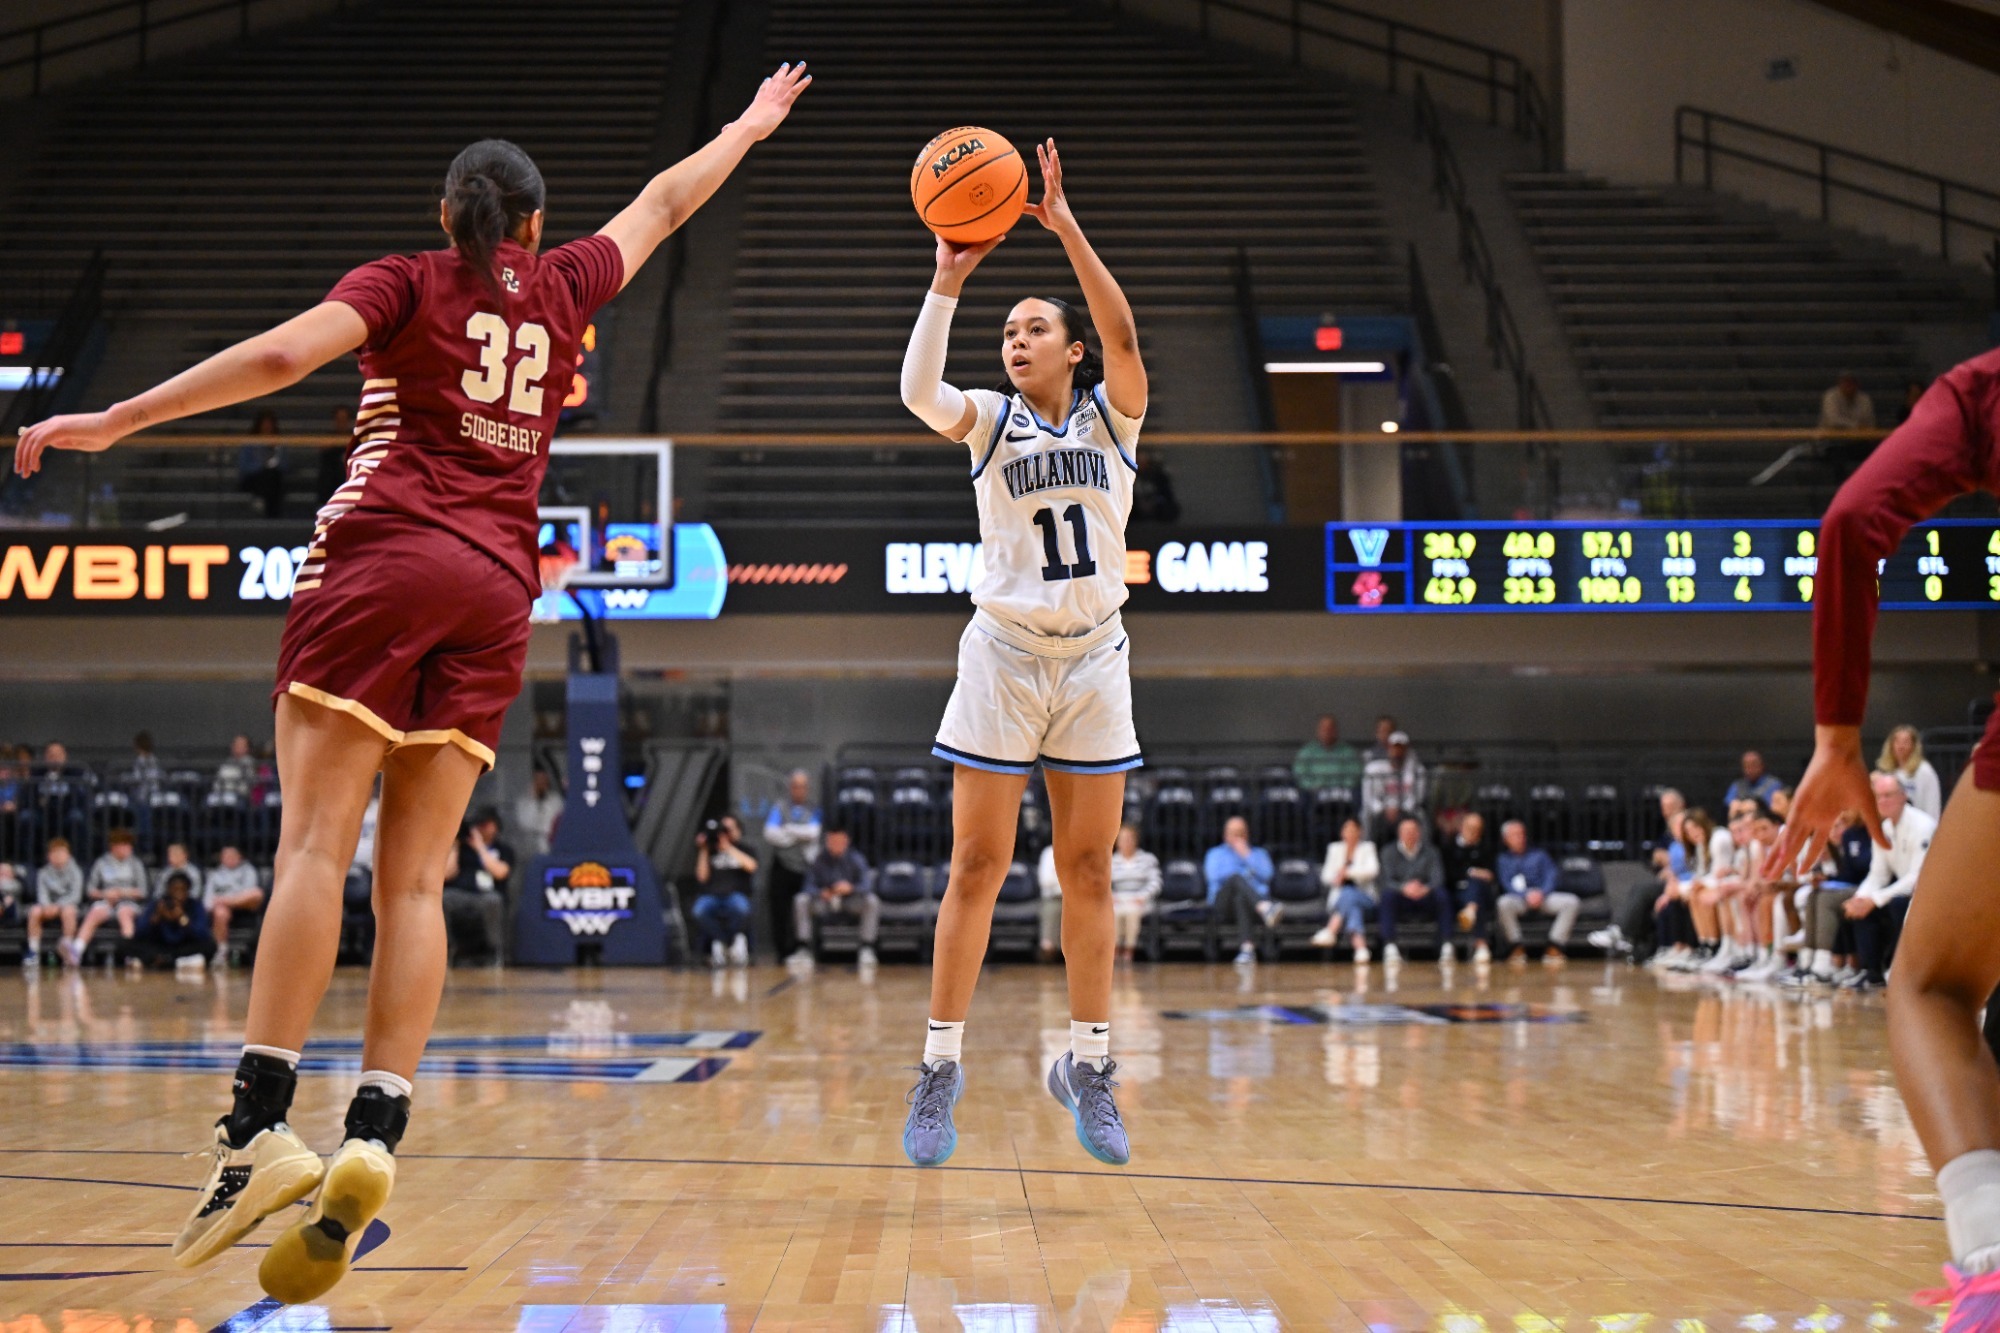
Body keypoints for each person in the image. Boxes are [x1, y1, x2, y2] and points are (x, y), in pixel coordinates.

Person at [10, 63, 811, 1306]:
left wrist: (118, 419)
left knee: (312, 850)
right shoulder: (560, 291)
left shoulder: (404, 281)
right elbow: (660, 204)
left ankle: (254, 1133)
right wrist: (747, 127)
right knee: (418, 876)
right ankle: (376, 1129)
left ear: (450, 220)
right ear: (533, 229)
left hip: (385, 554)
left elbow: (284, 353)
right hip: (499, 588)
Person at [896, 138, 1144, 1169]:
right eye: (1006, 329)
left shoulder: (1114, 417)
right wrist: (948, 284)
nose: (1015, 338)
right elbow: (917, 388)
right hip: (1002, 655)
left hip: (1092, 659)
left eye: (1033, 327)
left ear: (1070, 350)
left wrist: (1061, 222)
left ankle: (1087, 1067)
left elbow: (1125, 330)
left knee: (1087, 870)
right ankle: (937, 1070)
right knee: (976, 865)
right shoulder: (988, 420)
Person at [1762, 346, 2000, 1322]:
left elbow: (1851, 521)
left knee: (1930, 986)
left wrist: (1835, 735)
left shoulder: (1983, 386)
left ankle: (1988, 1262)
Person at [1830, 773, 1932, 991]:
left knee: (1893, 906)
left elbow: (1918, 876)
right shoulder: (1883, 828)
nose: (1883, 801)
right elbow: (1878, 875)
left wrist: (1874, 899)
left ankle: (1902, 972)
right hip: (1901, 892)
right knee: (1858, 907)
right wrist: (1861, 898)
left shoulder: (1923, 826)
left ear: (1903, 796)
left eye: (1888, 795)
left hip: (1928, 896)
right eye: (1878, 797)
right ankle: (1871, 972)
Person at [789, 825, 877, 970]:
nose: (835, 845)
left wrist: (851, 888)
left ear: (846, 841)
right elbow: (807, 886)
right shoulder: (819, 859)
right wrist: (821, 892)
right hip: (825, 902)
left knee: (872, 901)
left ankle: (867, 948)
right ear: (827, 842)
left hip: (850, 901)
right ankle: (804, 948)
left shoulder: (857, 859)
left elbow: (867, 885)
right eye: (832, 841)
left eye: (839, 841)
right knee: (801, 900)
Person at [1494, 820, 1576, 966]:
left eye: (1522, 834)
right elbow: (1505, 883)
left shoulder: (1540, 855)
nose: (1520, 838)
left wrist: (1541, 893)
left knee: (1571, 902)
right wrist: (1525, 895)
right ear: (1505, 839)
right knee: (1503, 903)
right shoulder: (1503, 859)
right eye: (1515, 835)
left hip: (1543, 897)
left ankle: (1554, 947)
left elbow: (1551, 876)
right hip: (1520, 899)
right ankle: (1516, 947)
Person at [1204, 816, 1277, 968]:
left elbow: (1268, 874)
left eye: (1240, 832)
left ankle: (1247, 950)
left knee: (1241, 898)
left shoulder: (1258, 853)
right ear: (1225, 835)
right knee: (1236, 879)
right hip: (1223, 903)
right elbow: (1214, 875)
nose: (1237, 837)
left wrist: (1247, 856)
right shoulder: (1215, 854)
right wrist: (1243, 871)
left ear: (1247, 834)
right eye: (1233, 833)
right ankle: (1265, 908)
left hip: (1250, 905)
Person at [443, 808, 514, 965]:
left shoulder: (503, 849)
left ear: (495, 826)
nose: (480, 828)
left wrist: (480, 847)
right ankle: (447, 947)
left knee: (493, 901)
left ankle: (495, 951)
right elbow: (447, 874)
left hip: (486, 896)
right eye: (478, 824)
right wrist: (455, 845)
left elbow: (501, 872)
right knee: (444, 898)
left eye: (485, 824)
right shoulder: (462, 848)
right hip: (460, 894)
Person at [1377, 816, 1451, 964]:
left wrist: (1425, 888)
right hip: (1401, 897)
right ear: (1399, 833)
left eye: (1413, 831)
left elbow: (1438, 878)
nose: (1409, 834)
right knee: (1387, 896)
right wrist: (1404, 888)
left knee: (1442, 895)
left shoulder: (1431, 852)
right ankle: (1389, 945)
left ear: (1419, 833)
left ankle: (1446, 943)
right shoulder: (1388, 852)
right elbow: (1386, 880)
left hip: (1425, 896)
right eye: (1406, 831)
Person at [763, 769, 821, 952]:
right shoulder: (779, 807)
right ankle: (782, 951)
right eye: (796, 786)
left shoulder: (815, 809)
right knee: (780, 911)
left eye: (803, 786)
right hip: (782, 866)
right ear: (790, 788)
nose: (799, 790)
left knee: (803, 909)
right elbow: (771, 834)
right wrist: (800, 834)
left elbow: (814, 833)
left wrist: (788, 830)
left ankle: (802, 948)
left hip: (805, 868)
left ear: (808, 788)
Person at [73, 828, 150, 967]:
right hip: (106, 901)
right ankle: (76, 951)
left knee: (124, 913)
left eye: (129, 845)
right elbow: (90, 890)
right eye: (124, 845)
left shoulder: (136, 864)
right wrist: (105, 894)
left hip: (128, 902)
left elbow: (143, 891)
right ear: (114, 846)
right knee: (95, 913)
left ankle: (130, 954)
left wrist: (122, 893)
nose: (128, 848)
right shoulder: (101, 863)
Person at [693, 814, 757, 967]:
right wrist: (704, 850)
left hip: (736, 894)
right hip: (712, 895)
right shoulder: (711, 850)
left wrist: (728, 848)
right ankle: (725, 941)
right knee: (699, 910)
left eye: (729, 829)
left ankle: (726, 942)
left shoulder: (745, 848)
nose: (725, 833)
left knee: (741, 908)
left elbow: (752, 866)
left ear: (738, 830)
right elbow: (702, 877)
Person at [1309, 817, 1378, 960]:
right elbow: (1326, 876)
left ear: (1360, 832)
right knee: (1352, 905)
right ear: (1342, 832)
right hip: (1341, 899)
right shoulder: (1334, 849)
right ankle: (1360, 948)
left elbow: (1373, 870)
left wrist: (1347, 873)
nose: (1350, 833)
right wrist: (1337, 877)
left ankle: (1331, 930)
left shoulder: (1368, 848)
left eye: (1353, 830)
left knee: (1349, 894)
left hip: (1366, 898)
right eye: (1347, 829)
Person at [127, 871, 218, 971]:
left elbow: (202, 934)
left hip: (183, 947)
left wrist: (183, 919)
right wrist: (156, 918)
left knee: (210, 946)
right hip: (159, 946)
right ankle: (175, 962)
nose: (178, 894)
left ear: (188, 891)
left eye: (182, 890)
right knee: (124, 944)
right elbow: (139, 933)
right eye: (174, 890)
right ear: (168, 890)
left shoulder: (195, 905)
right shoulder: (158, 904)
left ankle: (160, 961)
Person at [1440, 811, 1497, 964]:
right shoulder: (1449, 848)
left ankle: (1470, 910)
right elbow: (1448, 874)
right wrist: (1472, 872)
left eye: (1478, 829)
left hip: (1482, 893)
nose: (1474, 832)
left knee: (1476, 888)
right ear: (1462, 827)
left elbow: (1492, 873)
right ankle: (1481, 944)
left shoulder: (1486, 848)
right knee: (1470, 889)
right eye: (1470, 828)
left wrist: (1482, 875)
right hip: (1456, 893)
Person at [22, 838, 82, 968]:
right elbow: (42, 893)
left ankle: (67, 952)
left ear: (68, 855)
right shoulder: (43, 873)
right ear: (49, 856)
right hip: (48, 906)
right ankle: (33, 952)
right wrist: (47, 905)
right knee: (34, 911)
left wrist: (59, 906)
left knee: (69, 911)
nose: (58, 856)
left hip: (66, 905)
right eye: (55, 853)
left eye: (61, 853)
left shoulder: (76, 871)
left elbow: (75, 895)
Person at [1360, 731, 1426, 842]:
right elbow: (1369, 798)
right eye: (1394, 747)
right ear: (1388, 748)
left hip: (1405, 810)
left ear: (1406, 750)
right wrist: (1383, 809)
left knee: (1422, 816)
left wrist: (1400, 809)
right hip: (1380, 811)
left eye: (1401, 748)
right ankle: (1368, 851)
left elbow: (1417, 797)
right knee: (1365, 815)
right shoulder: (1374, 769)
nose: (1397, 752)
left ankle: (1422, 853)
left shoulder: (1417, 770)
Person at [206, 844, 266, 965]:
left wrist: (226, 900)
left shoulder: (249, 870)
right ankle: (222, 952)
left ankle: (226, 902)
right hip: (224, 909)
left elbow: (250, 892)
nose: (229, 858)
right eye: (226, 855)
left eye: (232, 855)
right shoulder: (214, 874)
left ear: (240, 857)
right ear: (221, 858)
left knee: (257, 894)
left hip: (246, 907)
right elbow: (208, 900)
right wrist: (223, 903)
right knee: (220, 912)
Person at [1109, 823, 1159, 963]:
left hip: (1140, 899)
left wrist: (1142, 896)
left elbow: (1156, 882)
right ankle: (1115, 948)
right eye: (1123, 839)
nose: (1127, 842)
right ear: (1117, 842)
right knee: (1114, 913)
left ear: (1136, 840)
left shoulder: (1148, 859)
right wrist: (1111, 897)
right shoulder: (1111, 861)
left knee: (1132, 912)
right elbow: (1105, 885)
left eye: (1130, 838)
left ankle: (1128, 950)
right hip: (1119, 898)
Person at [1879, 724, 1943, 821]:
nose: (1901, 746)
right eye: (1897, 742)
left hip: (1918, 827)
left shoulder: (1924, 771)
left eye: (1905, 742)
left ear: (1914, 746)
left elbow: (1932, 807)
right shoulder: (1887, 772)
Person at [1292, 714, 1361, 793]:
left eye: (1330, 729)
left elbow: (1355, 773)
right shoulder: (1307, 751)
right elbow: (1299, 773)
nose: (1326, 732)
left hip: (1342, 793)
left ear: (1336, 731)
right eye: (1323, 729)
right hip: (1312, 793)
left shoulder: (1348, 752)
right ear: (1318, 731)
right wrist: (1312, 786)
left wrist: (1343, 787)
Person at [512, 768, 563, 858]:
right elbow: (524, 823)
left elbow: (558, 822)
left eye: (543, 779)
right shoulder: (524, 801)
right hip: (528, 847)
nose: (541, 783)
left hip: (550, 845)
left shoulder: (555, 800)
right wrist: (534, 799)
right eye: (538, 780)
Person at [1035, 841, 1064, 962]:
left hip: (1075, 900)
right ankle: (1048, 955)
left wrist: (1058, 879)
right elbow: (1045, 881)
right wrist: (1065, 883)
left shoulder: (1077, 848)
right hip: (1053, 898)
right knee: (1050, 910)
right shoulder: (1048, 853)